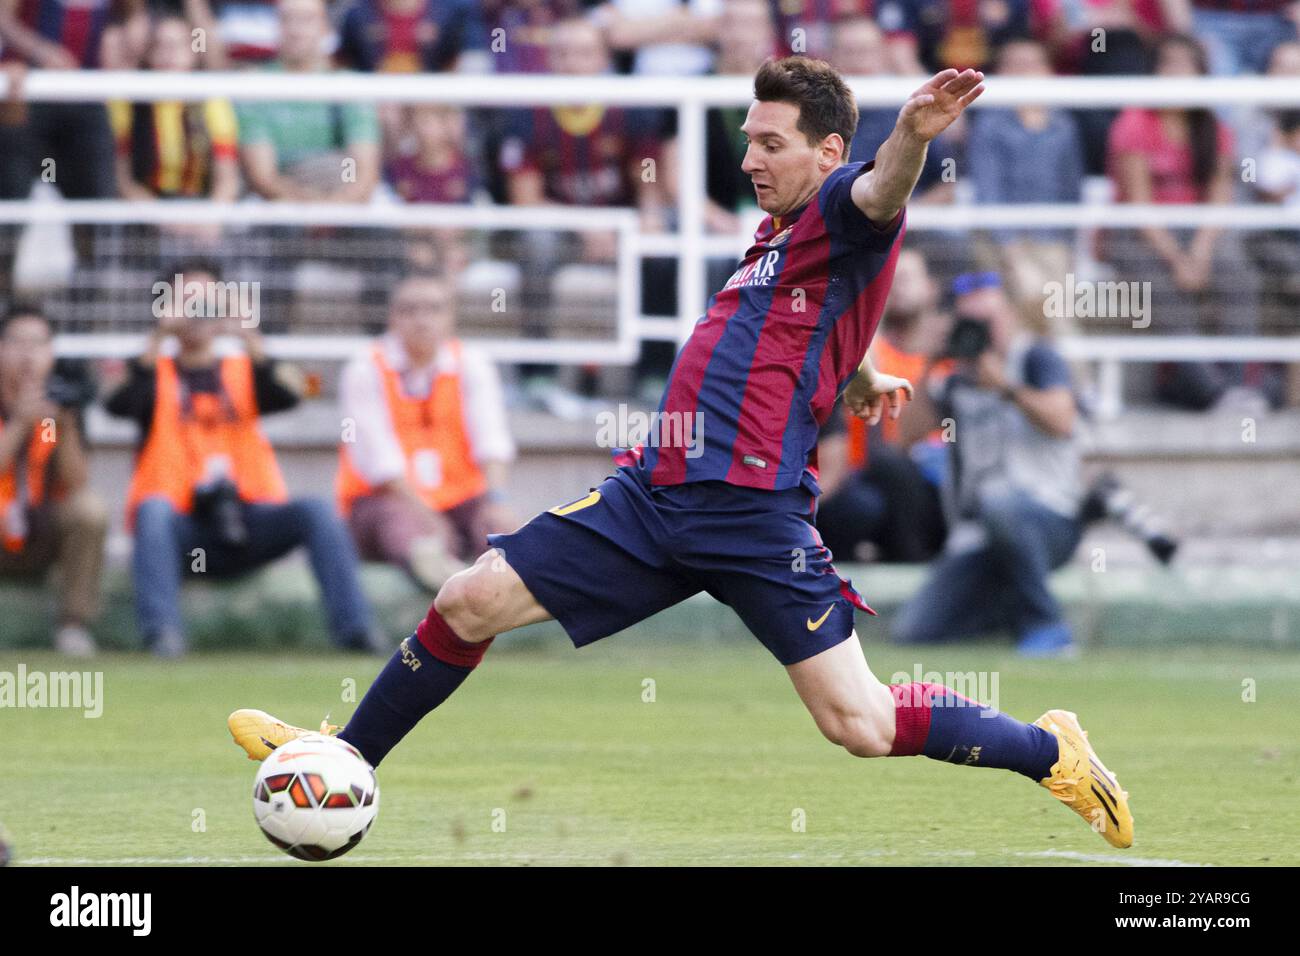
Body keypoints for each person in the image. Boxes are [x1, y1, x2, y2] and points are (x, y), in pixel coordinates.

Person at [230, 58, 1133, 849]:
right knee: (467, 599)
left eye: (771, 142)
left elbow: (880, 193)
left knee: (857, 723)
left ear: (827, 153)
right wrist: (853, 375)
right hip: (653, 499)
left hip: (752, 514)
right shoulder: (776, 242)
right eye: (748, 140)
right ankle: (340, 756)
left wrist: (909, 135)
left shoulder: (845, 206)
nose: (749, 160)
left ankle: (1051, 752)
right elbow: (793, 334)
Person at [105, 260, 382, 657]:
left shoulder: (243, 369)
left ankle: (356, 631)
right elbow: (118, 401)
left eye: (207, 300)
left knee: (317, 512)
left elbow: (294, 391)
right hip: (183, 532)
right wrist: (159, 335)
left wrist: (249, 337)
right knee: (152, 513)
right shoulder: (154, 372)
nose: (198, 311)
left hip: (247, 522)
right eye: (187, 300)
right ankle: (162, 636)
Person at [892, 272, 1085, 657]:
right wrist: (929, 362)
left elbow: (1063, 421)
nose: (979, 333)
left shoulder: (1034, 358)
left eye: (987, 322)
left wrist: (1007, 389)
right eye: (970, 323)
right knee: (914, 631)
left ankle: (1049, 628)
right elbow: (905, 436)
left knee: (1000, 502)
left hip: (1048, 517)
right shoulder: (955, 379)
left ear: (1010, 316)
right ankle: (1007, 611)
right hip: (977, 533)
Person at [1104, 33, 1262, 410]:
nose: (1175, 74)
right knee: (1164, 288)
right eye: (1167, 64)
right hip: (1138, 234)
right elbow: (1139, 206)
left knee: (1239, 277)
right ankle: (1213, 391)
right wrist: (1179, 259)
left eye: (1185, 65)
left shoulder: (1215, 129)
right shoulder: (1134, 123)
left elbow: (1219, 200)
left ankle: (1236, 383)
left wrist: (1201, 254)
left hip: (1197, 233)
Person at [338, 271, 517, 591]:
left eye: (433, 309)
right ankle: (446, 581)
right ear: (393, 318)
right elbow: (380, 465)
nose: (422, 320)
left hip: (459, 498)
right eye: (410, 310)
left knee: (500, 529)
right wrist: (431, 518)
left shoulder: (472, 364)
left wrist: (497, 502)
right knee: (411, 531)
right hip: (386, 501)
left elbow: (492, 442)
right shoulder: (365, 368)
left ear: (450, 318)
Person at [0, 305, 107, 657]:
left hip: (41, 527)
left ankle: (73, 626)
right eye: (17, 343)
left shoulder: (56, 408)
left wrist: (65, 425)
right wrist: (18, 423)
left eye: (39, 344)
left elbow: (77, 483)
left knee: (90, 510)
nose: (28, 355)